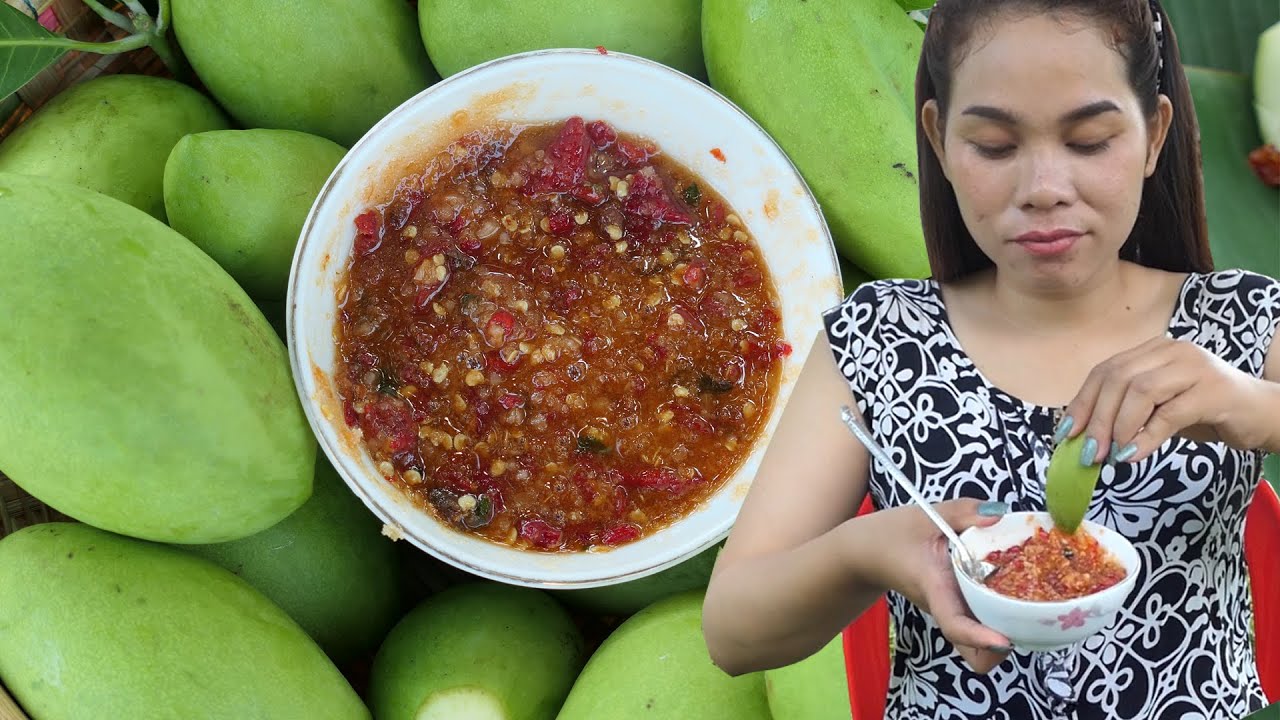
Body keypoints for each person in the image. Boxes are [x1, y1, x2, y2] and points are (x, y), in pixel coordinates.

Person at [701, 0, 1280, 717]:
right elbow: (730, 631)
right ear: (941, 143)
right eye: (996, 147)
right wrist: (865, 552)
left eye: (1091, 141)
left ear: (1154, 134)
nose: (1043, 189)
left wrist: (1258, 408)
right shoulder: (879, 337)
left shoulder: (1245, 318)